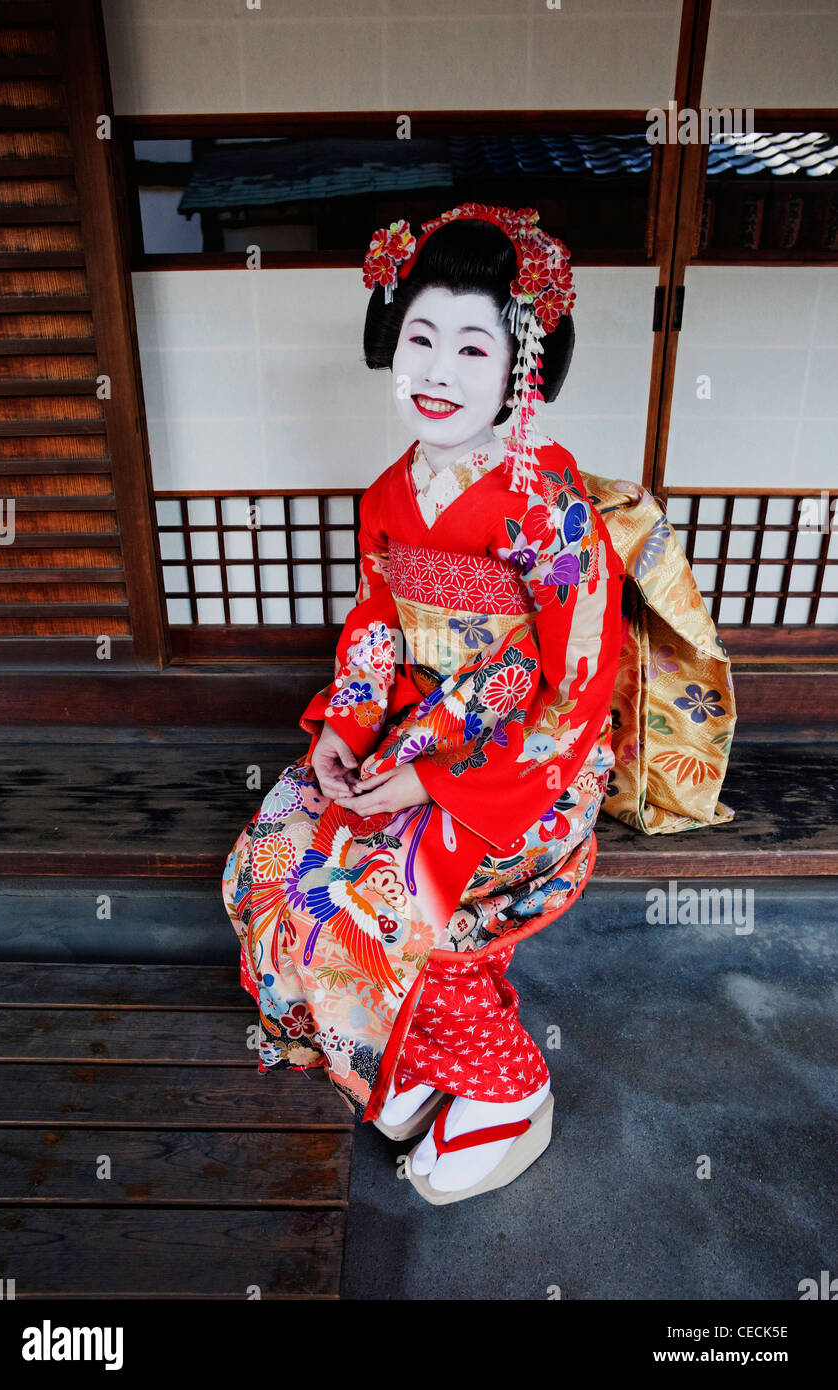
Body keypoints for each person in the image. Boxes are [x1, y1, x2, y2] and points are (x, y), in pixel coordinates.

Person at [222, 204, 627, 1204]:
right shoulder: (389, 493)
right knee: (275, 861)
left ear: (519, 365)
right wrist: (343, 732)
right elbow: (374, 626)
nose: (437, 372)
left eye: (470, 346)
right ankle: (409, 1063)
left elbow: (577, 686)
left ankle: (504, 1090)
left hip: (519, 764)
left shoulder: (550, 506)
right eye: (419, 338)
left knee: (402, 907)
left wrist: (438, 777)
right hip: (407, 736)